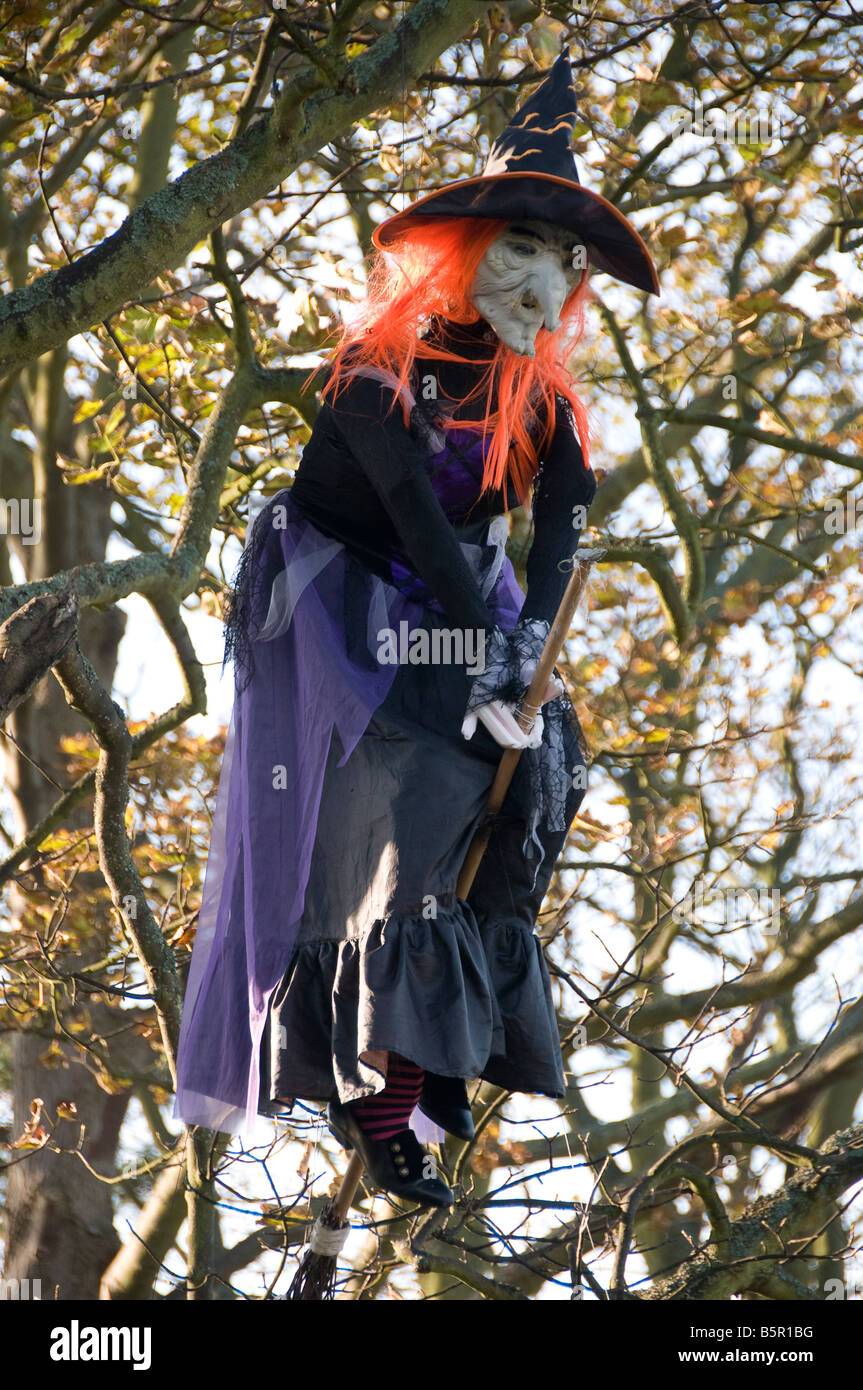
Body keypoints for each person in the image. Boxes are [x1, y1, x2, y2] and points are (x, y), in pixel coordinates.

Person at [173, 51, 659, 1210]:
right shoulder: (375, 373)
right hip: (340, 595)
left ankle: (437, 1037)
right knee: (431, 763)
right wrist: (483, 654)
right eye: (518, 251)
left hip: (463, 599)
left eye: (559, 263)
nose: (538, 287)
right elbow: (413, 524)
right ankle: (373, 1083)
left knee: (546, 757)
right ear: (465, 247)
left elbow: (557, 532)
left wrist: (527, 654)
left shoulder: (543, 400)